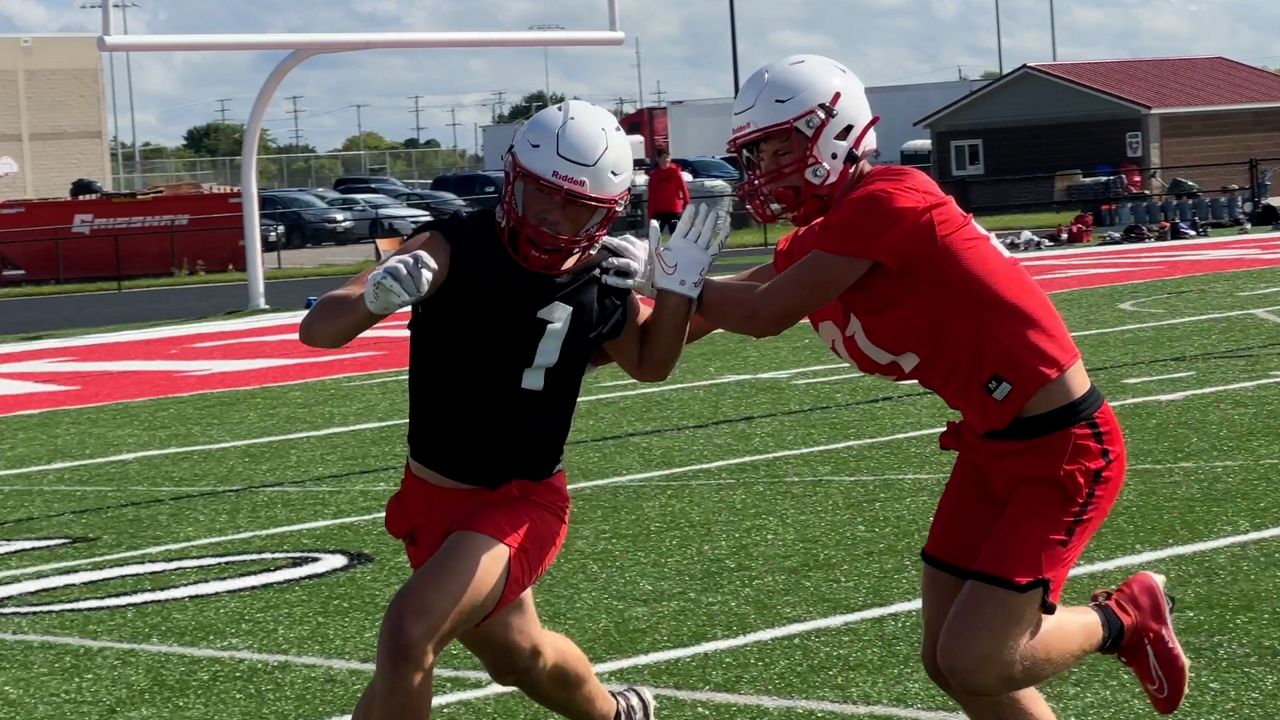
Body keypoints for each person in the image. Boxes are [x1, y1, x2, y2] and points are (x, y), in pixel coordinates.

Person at [689, 54, 1190, 718]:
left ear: (830, 131)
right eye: (758, 153)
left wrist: (669, 281)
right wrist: (594, 315)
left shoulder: (889, 199)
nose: (765, 169)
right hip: (993, 443)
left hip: (1062, 446)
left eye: (777, 146)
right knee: (950, 663)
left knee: (979, 660)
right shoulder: (834, 231)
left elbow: (760, 313)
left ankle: (1125, 617)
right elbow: (715, 308)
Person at [299, 99, 728, 720]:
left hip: (518, 499)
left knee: (408, 635)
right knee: (518, 657)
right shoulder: (455, 243)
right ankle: (618, 714)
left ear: (605, 211)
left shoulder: (599, 274)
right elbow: (320, 330)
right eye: (543, 195)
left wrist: (678, 283)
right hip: (431, 494)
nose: (555, 217)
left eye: (577, 204)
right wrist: (376, 294)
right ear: (513, 183)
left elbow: (650, 361)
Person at [646, 150, 690, 236]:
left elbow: (683, 189)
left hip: (674, 210)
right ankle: (655, 249)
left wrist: (687, 204)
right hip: (659, 211)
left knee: (676, 235)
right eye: (663, 158)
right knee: (655, 235)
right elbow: (651, 195)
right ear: (658, 159)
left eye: (667, 157)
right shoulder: (654, 175)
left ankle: (677, 249)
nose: (666, 160)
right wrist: (650, 214)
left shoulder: (675, 172)